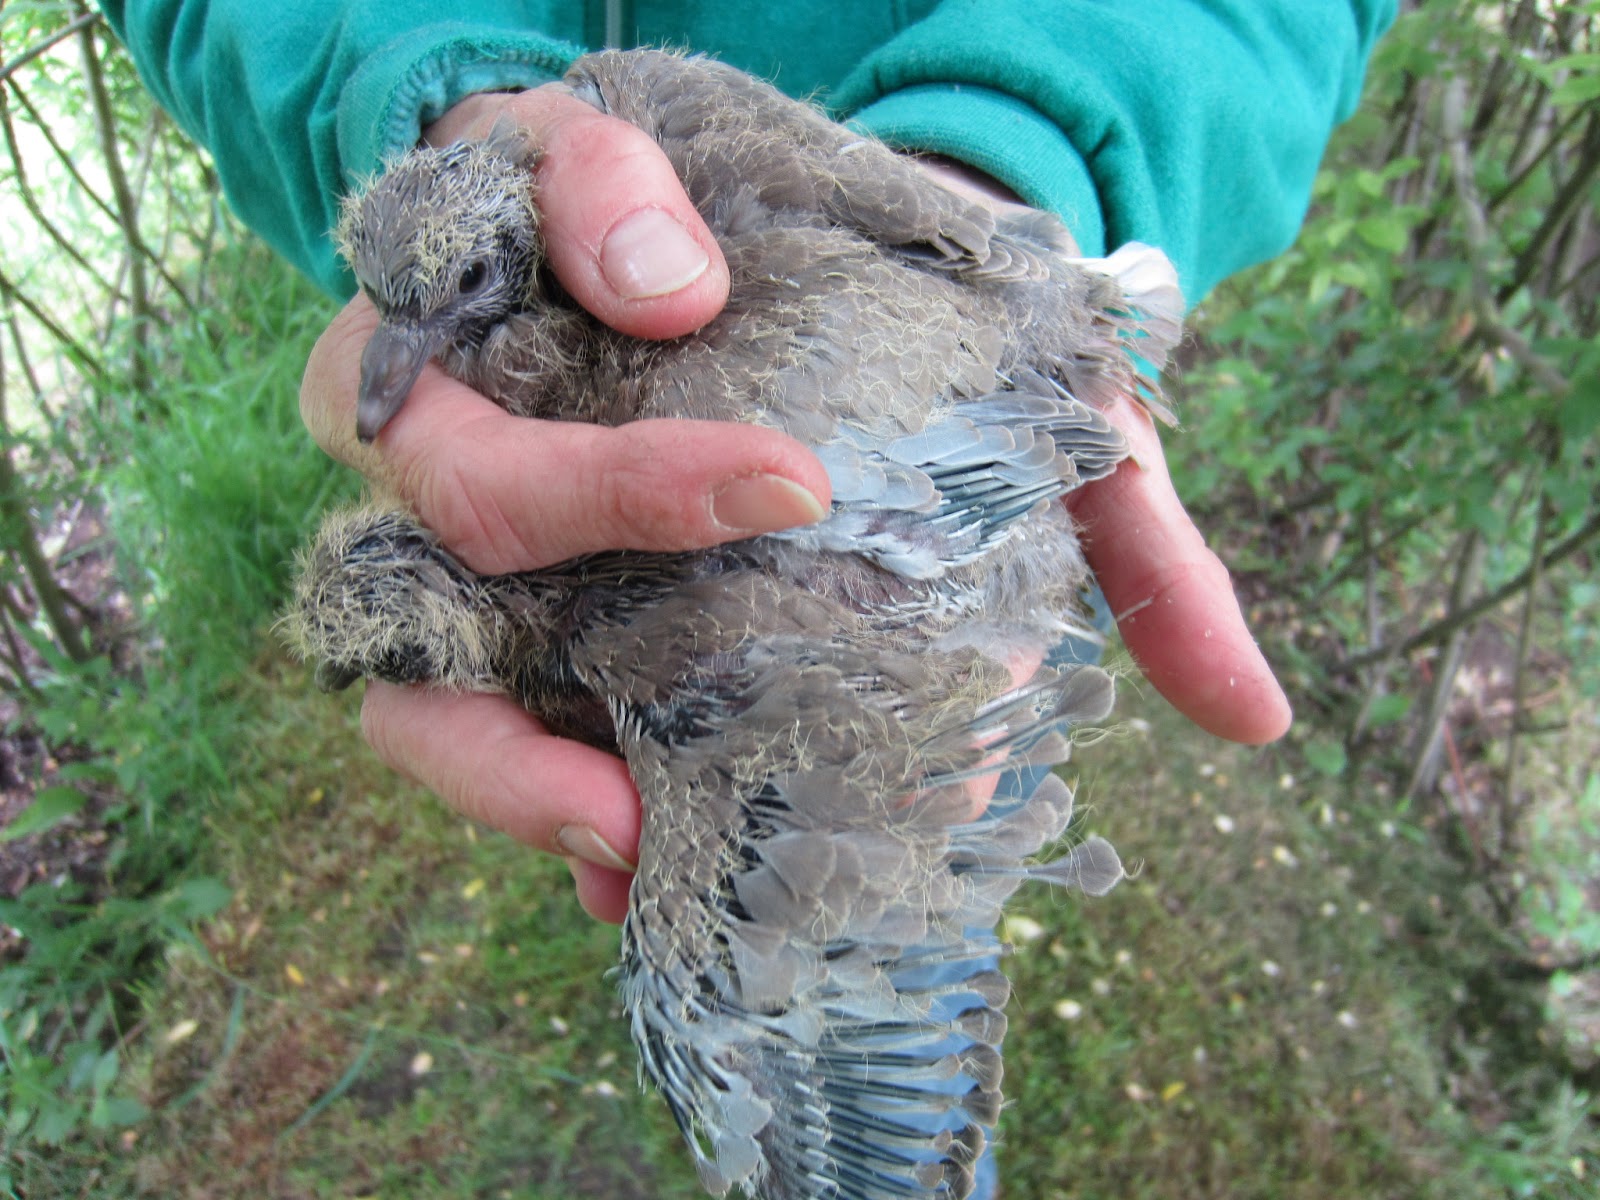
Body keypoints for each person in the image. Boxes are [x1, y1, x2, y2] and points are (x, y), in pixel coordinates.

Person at [101, 7, 1391, 1188]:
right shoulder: (602, 148)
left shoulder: (680, 652)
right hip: (921, 450)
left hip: (924, 532)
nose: (409, 350)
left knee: (773, 986)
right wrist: (428, 85)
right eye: (407, 308)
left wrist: (1015, 146)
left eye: (459, 297)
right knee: (778, 907)